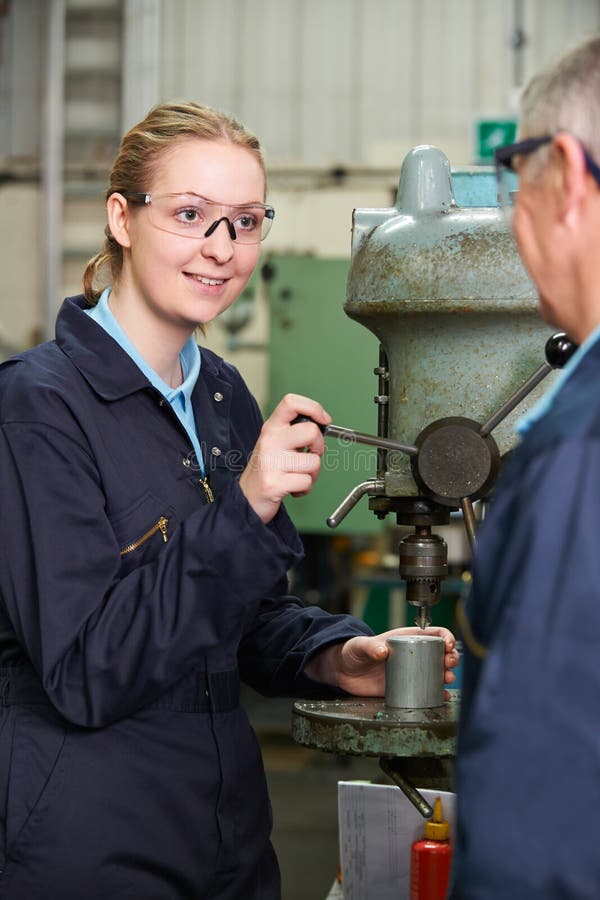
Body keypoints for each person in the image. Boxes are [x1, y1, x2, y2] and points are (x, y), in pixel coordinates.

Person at [0, 101, 458, 900]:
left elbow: (241, 617)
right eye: (191, 215)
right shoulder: (39, 407)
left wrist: (332, 655)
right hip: (88, 838)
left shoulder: (220, 395)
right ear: (122, 218)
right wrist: (244, 507)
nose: (222, 248)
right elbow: (85, 670)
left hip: (225, 836)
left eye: (245, 222)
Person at [449, 35, 600, 899]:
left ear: (568, 175)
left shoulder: (580, 453)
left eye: (516, 180)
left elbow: (542, 843)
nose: (513, 217)